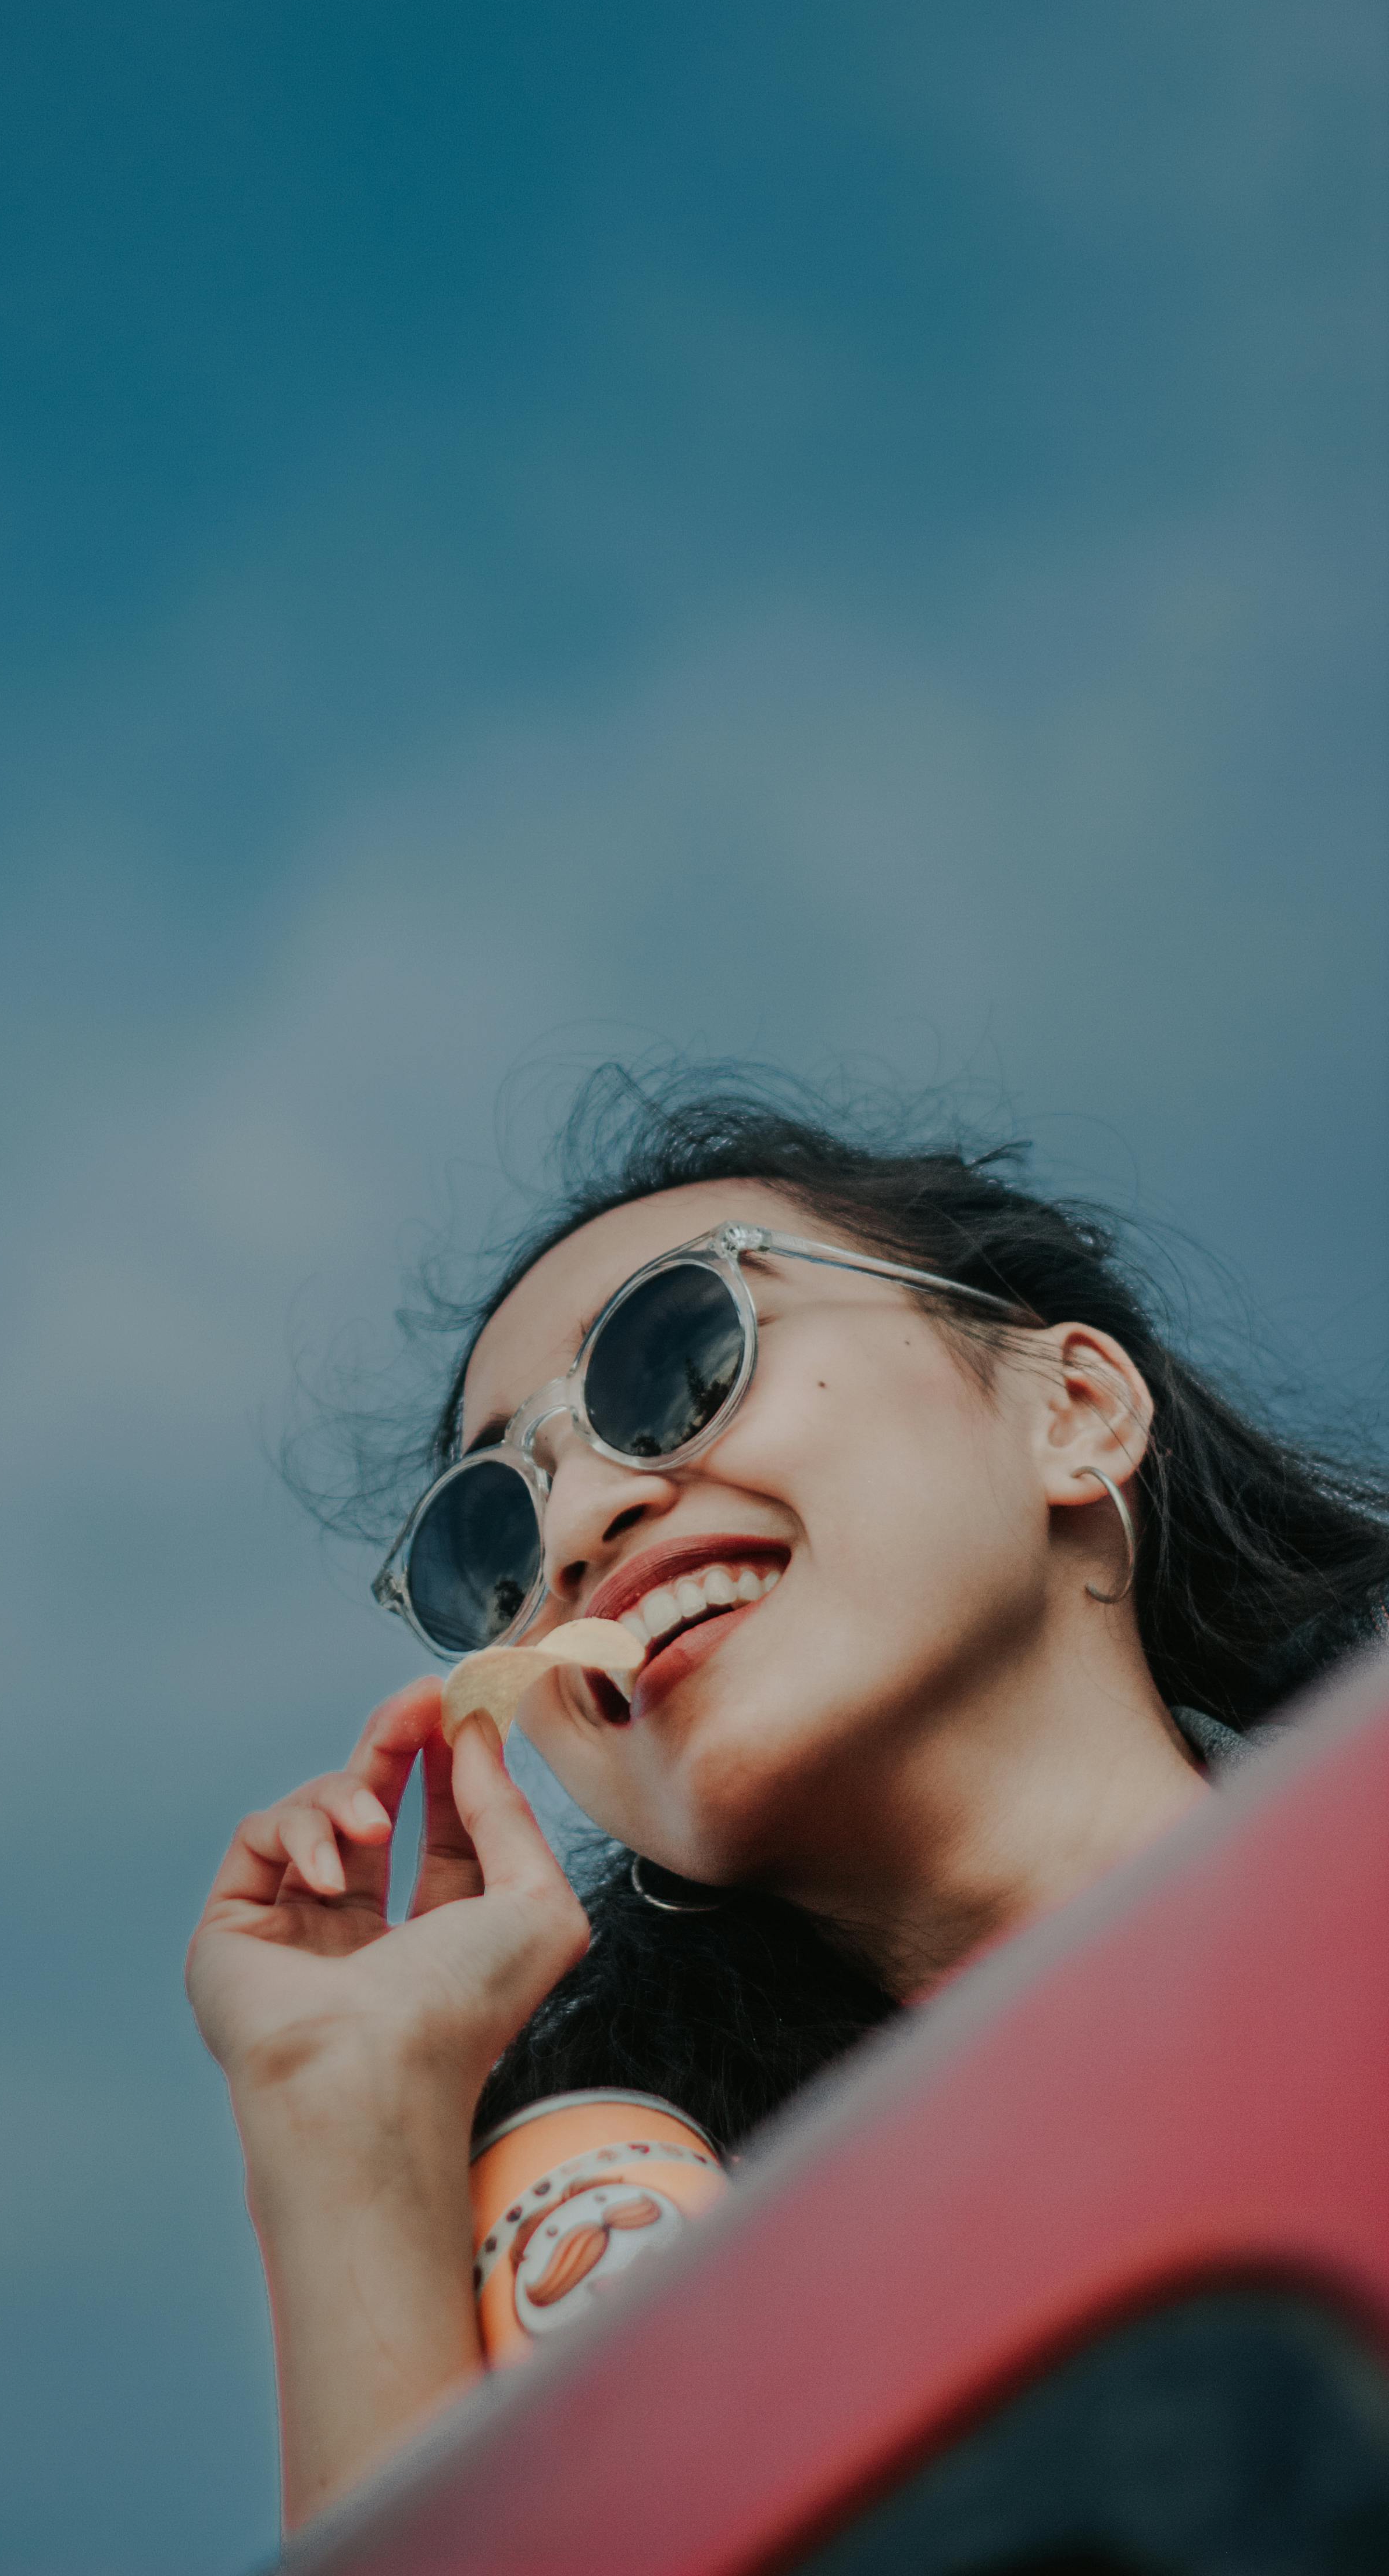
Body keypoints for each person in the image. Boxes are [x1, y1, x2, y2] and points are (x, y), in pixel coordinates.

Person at [185, 1075, 1387, 2534]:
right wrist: (348, 2128)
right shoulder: (618, 2244)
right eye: (489, 1540)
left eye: (680, 1355)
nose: (575, 1526)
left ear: (1073, 1410)